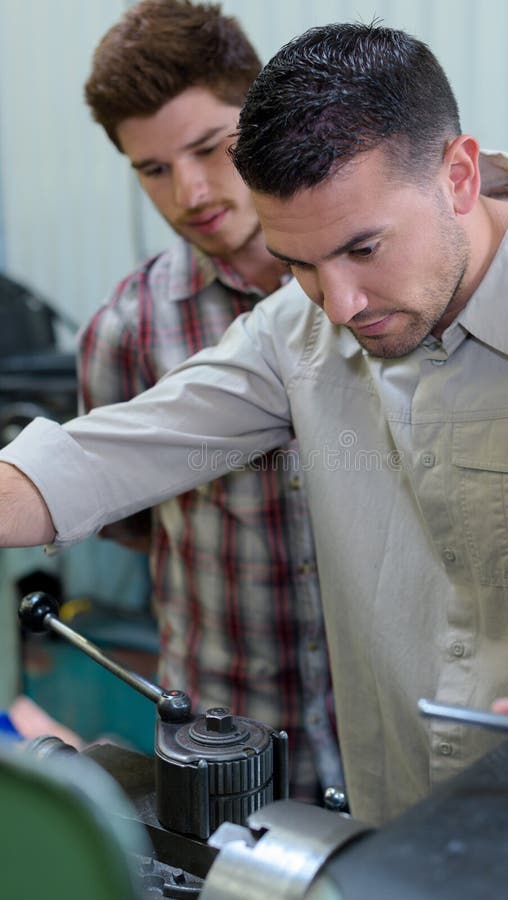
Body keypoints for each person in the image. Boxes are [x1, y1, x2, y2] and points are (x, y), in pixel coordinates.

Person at [1, 20, 508, 826]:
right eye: (300, 265)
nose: (339, 305)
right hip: (394, 830)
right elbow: (107, 454)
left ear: (458, 175)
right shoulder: (297, 328)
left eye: (364, 249)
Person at [75, 0, 343, 803]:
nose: (190, 191)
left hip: (386, 717)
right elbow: (128, 523)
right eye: (153, 169)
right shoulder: (126, 330)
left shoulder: (369, 290)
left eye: (208, 148)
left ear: (260, 120)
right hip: (222, 744)